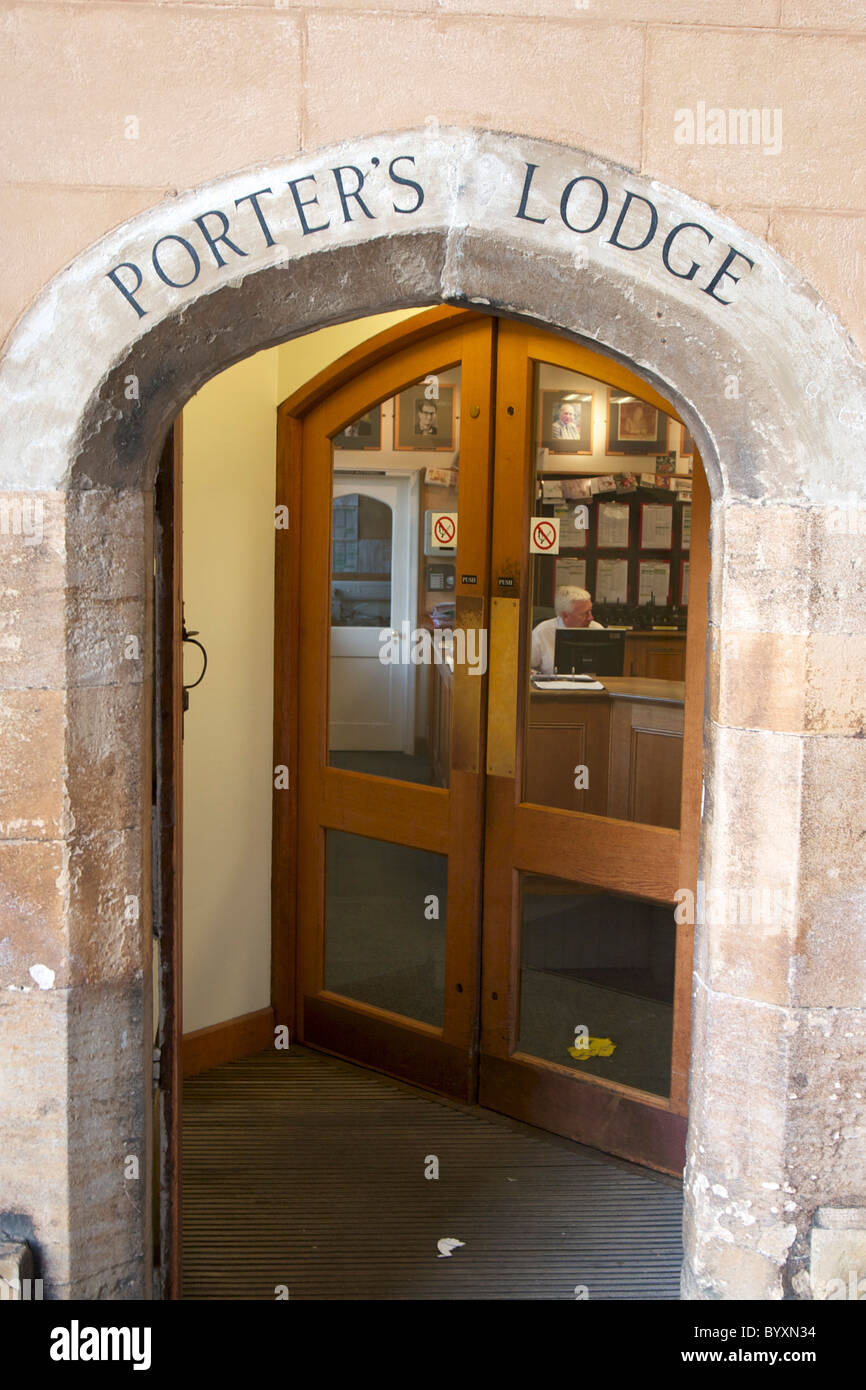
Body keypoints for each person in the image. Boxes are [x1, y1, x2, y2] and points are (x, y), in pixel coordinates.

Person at [531, 586, 603, 674]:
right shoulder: (542, 633)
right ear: (565, 616)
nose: (591, 618)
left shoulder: (597, 629)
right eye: (585, 614)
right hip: (552, 686)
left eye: (590, 611)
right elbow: (526, 668)